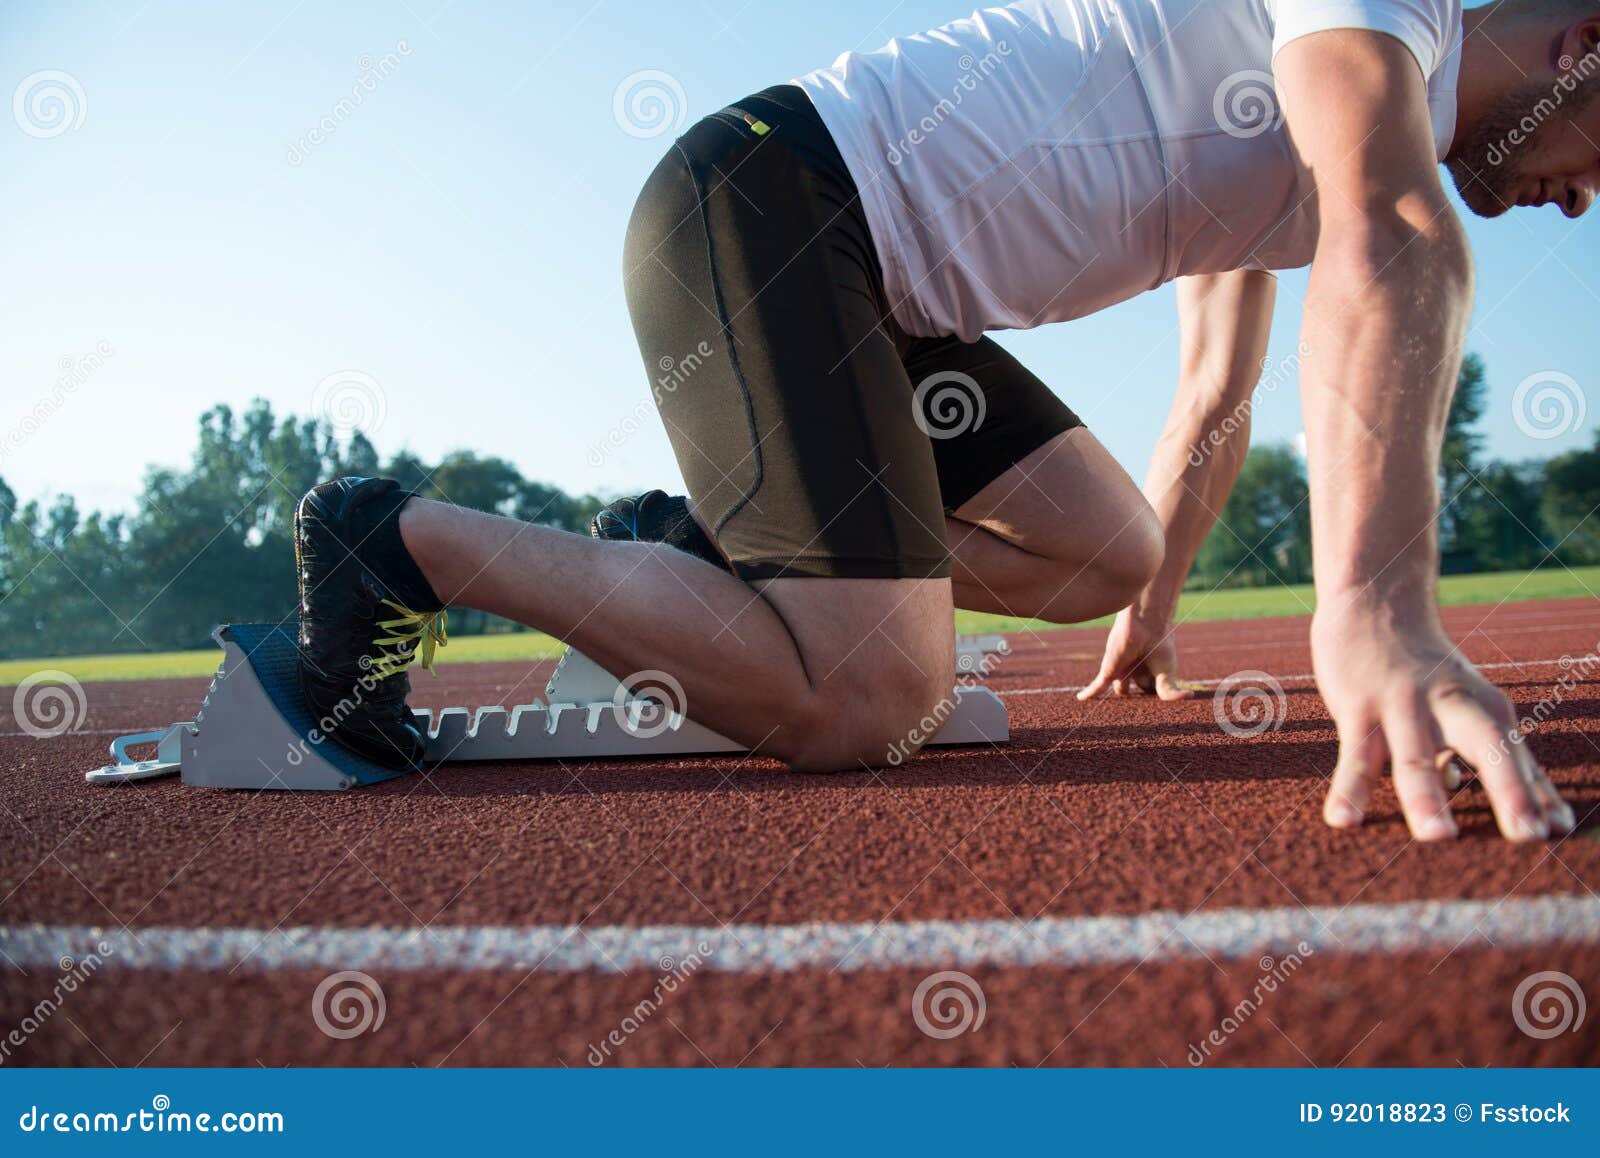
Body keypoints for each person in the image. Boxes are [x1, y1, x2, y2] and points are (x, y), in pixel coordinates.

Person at [294, 0, 1596, 843]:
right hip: (771, 197)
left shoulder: (1327, 116)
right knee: (874, 701)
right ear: (1582, 43)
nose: (1584, 201)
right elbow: (1395, 235)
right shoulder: (1372, 35)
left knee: (1106, 551)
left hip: (887, 303)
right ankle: (399, 544)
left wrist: (1151, 622)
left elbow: (1214, 391)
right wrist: (1374, 610)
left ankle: (699, 551)